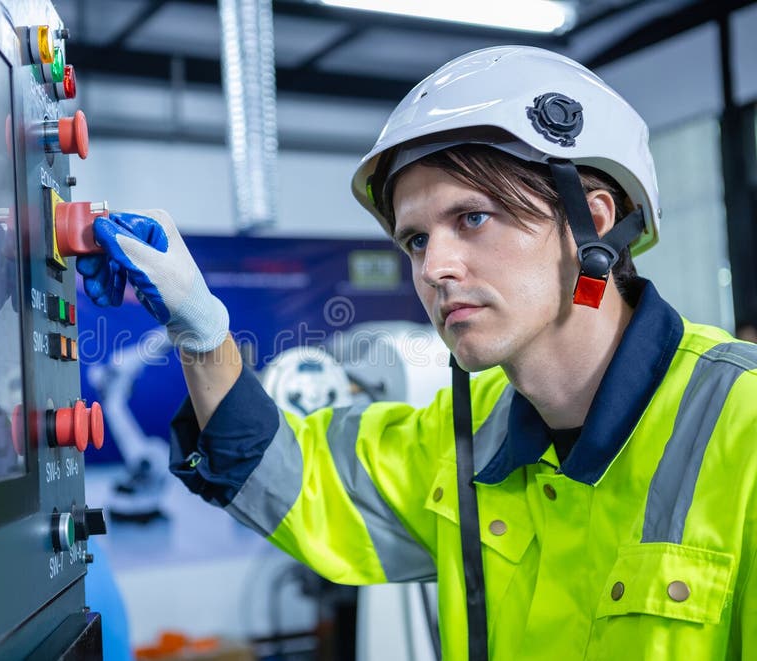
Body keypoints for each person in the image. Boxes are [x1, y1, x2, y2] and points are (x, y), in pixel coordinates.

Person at [77, 45, 757, 659]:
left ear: (594, 225)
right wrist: (201, 331)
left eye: (472, 218)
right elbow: (292, 479)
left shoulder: (742, 426)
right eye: (416, 241)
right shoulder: (464, 434)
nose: (435, 268)